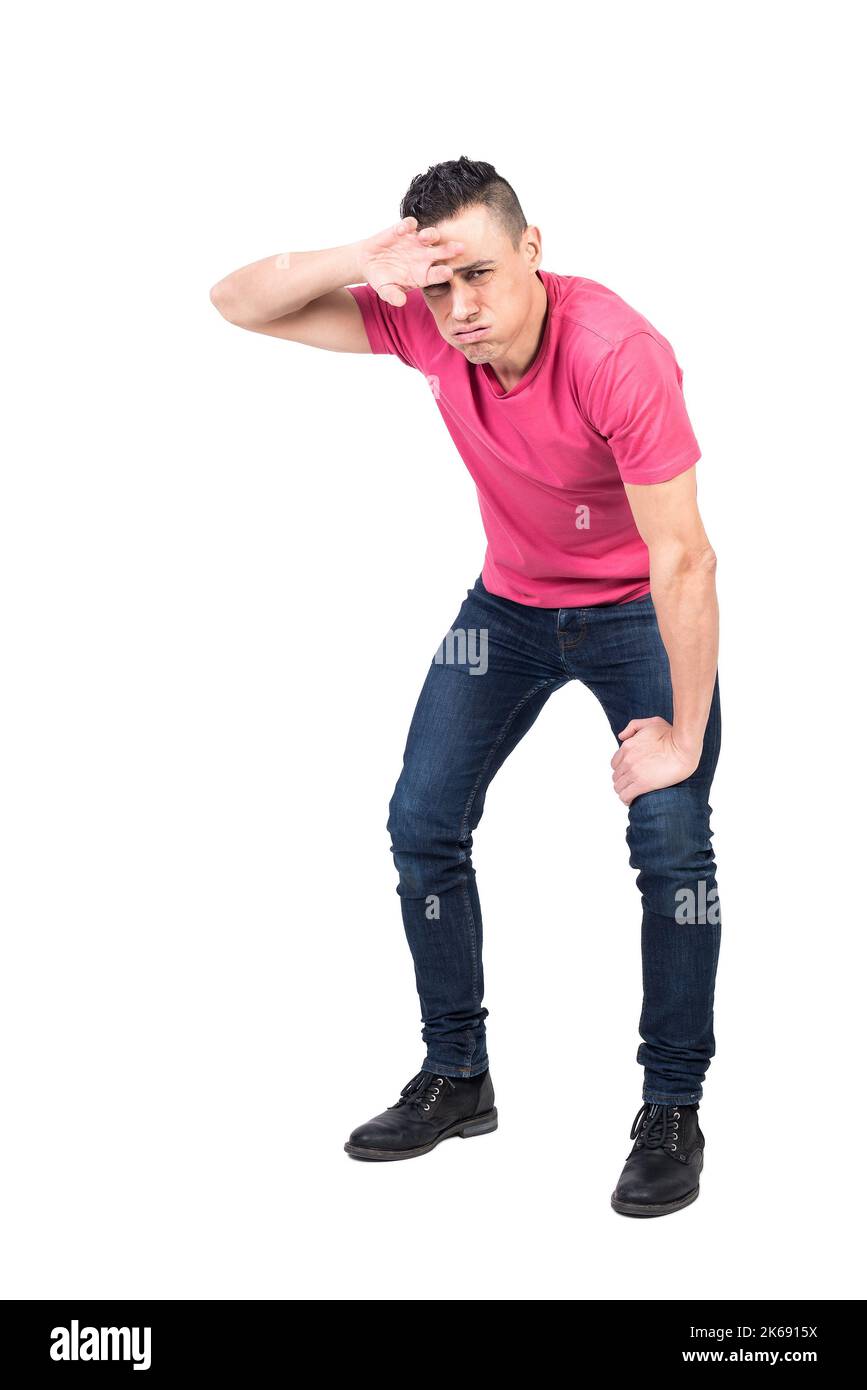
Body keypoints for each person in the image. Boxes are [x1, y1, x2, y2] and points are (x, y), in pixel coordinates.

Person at [209, 156, 721, 1217]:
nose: (463, 309)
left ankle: (672, 1105)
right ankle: (459, 1076)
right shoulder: (430, 327)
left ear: (535, 250)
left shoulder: (617, 355)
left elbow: (686, 561)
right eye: (439, 286)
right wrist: (370, 260)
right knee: (421, 820)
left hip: (636, 610)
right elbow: (235, 302)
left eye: (480, 274)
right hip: (508, 609)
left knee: (672, 839)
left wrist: (680, 735)